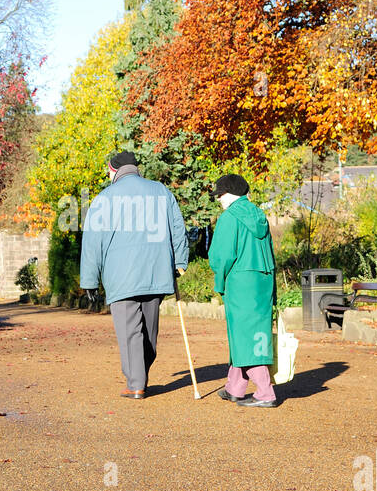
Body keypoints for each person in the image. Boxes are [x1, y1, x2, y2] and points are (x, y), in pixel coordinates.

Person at [79, 151, 189, 399]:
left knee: (130, 332)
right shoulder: (161, 191)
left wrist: (89, 280)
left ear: (113, 170)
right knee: (149, 331)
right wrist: (180, 262)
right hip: (156, 272)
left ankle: (136, 383)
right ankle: (141, 374)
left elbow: (92, 243)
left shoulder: (103, 198)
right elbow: (177, 229)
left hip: (121, 277)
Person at [209, 174, 277, 407]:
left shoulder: (229, 217)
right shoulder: (260, 215)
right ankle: (235, 387)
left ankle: (265, 392)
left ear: (229, 194)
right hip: (263, 281)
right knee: (250, 332)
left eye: (219, 195)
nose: (218, 199)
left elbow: (222, 256)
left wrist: (219, 282)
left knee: (244, 335)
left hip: (240, 282)